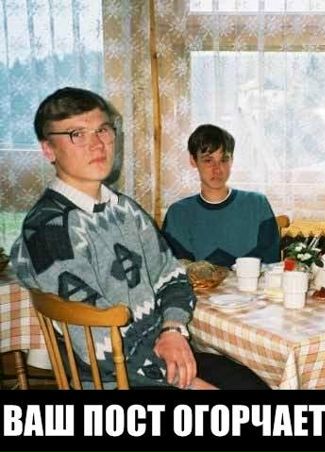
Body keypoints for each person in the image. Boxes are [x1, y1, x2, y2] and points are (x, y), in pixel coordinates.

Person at [10, 87, 269, 389]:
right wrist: (191, 384)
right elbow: (101, 348)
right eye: (77, 134)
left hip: (162, 351)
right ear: (48, 150)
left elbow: (172, 275)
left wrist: (173, 329)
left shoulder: (125, 210)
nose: (97, 144)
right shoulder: (49, 229)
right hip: (120, 379)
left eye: (102, 130)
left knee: (255, 382)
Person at [162, 124, 280, 268]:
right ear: (193, 160)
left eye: (224, 159)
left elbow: (270, 263)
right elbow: (177, 269)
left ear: (232, 160)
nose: (217, 169)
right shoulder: (178, 214)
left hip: (251, 282)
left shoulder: (257, 204)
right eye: (208, 160)